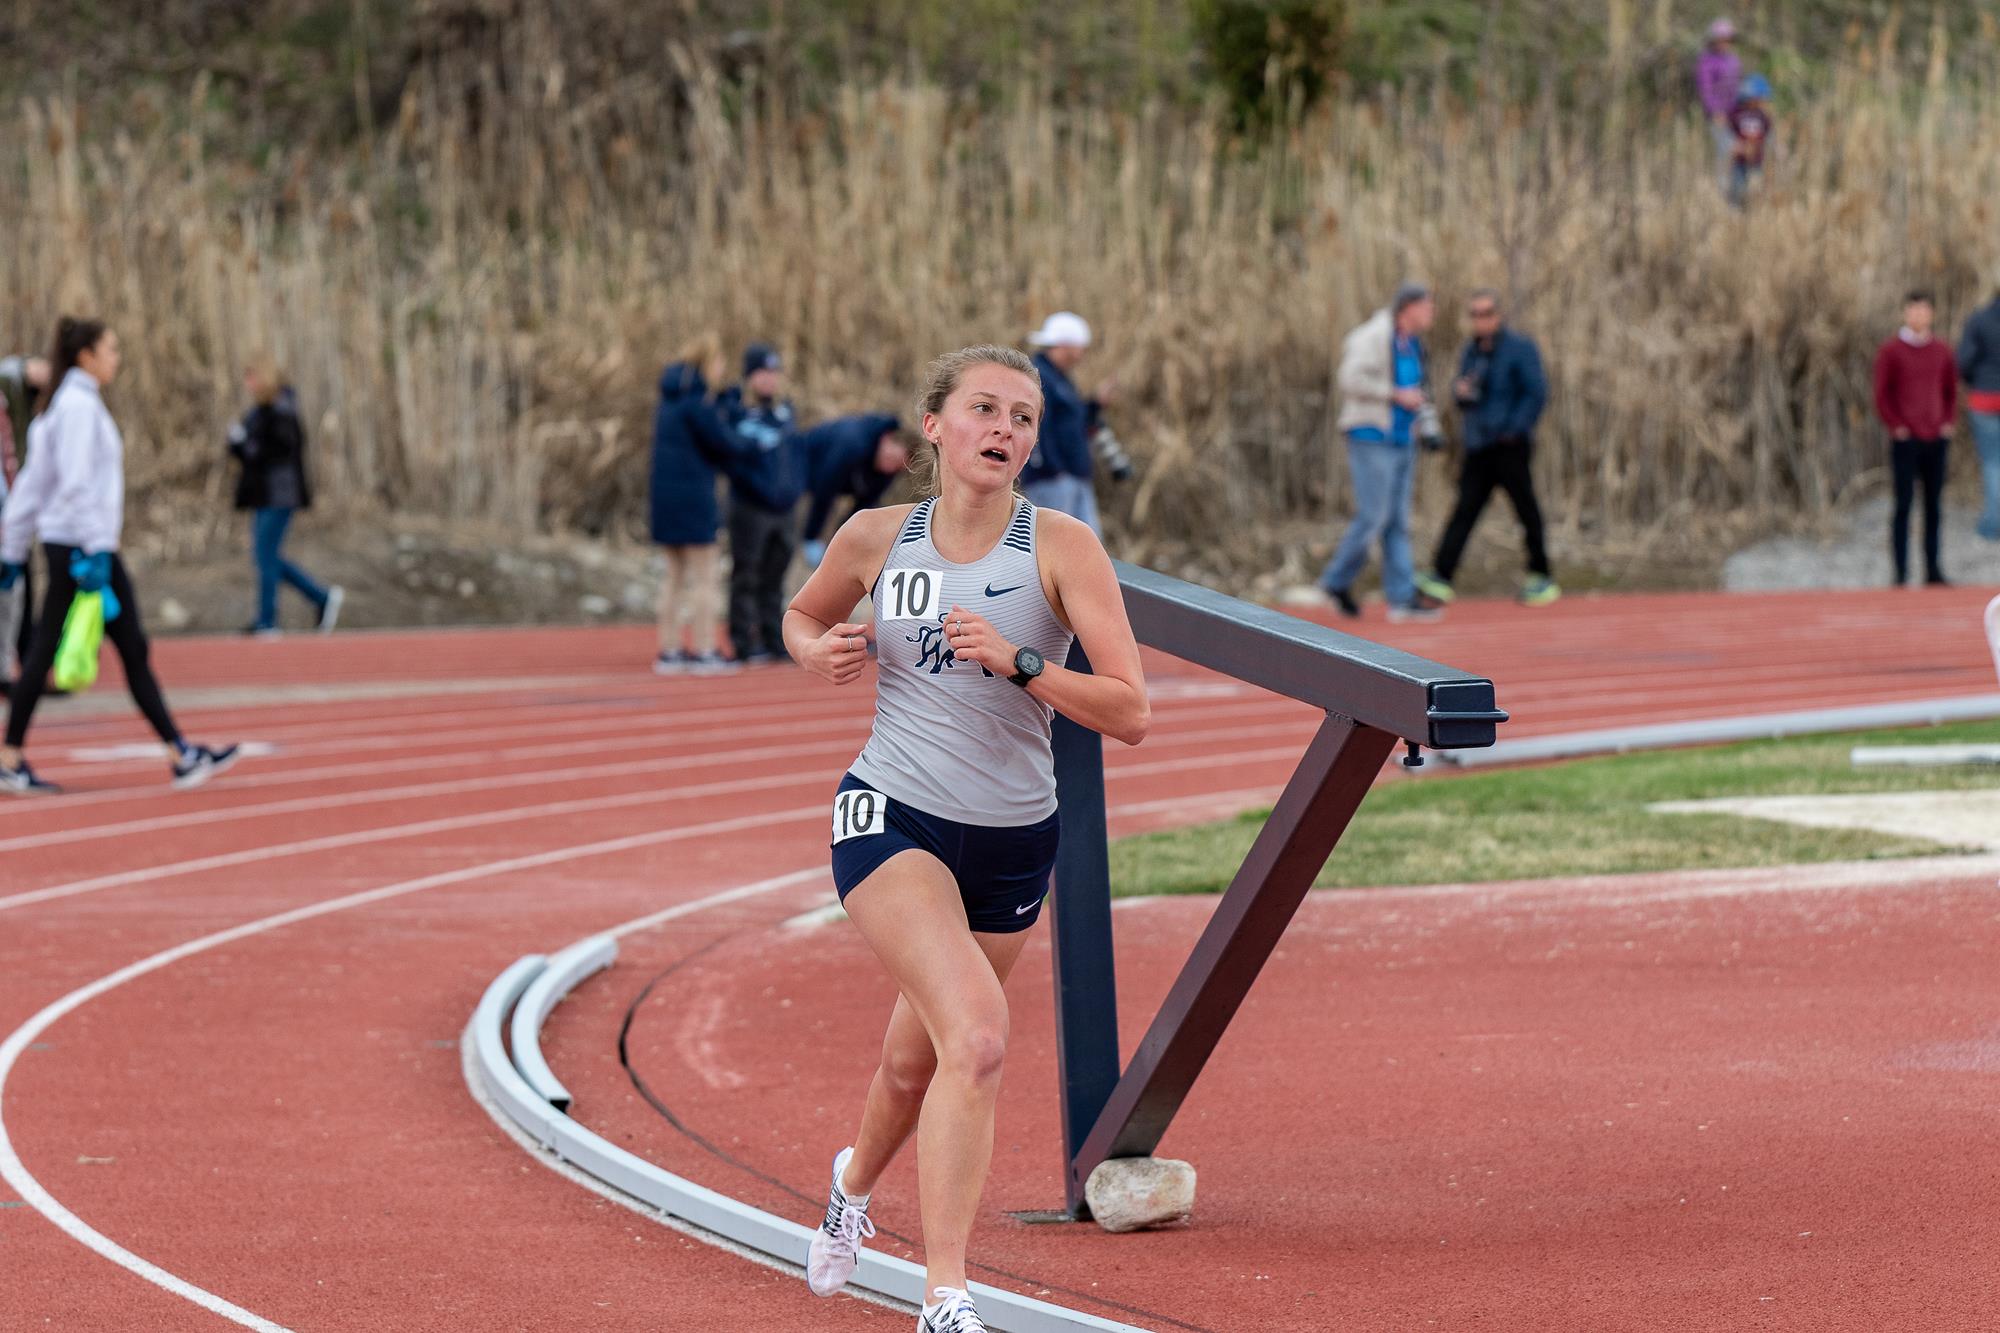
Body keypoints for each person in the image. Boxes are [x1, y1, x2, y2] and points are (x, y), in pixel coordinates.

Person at [783, 345, 1148, 1333]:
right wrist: (820, 647)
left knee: (919, 1061)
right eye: (982, 408)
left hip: (1011, 838)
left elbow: (1128, 709)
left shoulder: (1061, 548)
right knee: (979, 1040)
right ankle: (945, 1296)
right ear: (934, 426)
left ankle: (850, 1185)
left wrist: (1025, 662)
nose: (1003, 430)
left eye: (1022, 417)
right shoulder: (871, 537)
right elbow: (800, 613)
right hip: (889, 814)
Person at [0, 317, 238, 796]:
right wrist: (94, 551)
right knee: (68, 647)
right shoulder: (77, 408)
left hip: (77, 544)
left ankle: (179, 751)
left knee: (123, 649)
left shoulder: (60, 406)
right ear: (86, 354)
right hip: (82, 548)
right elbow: (72, 484)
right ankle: (11, 755)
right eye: (110, 350)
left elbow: (31, 484)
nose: (117, 358)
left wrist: (12, 546)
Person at [1415, 290, 1558, 607]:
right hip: (1479, 446)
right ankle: (1441, 576)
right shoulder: (1472, 351)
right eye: (1475, 314)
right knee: (1464, 510)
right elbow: (1464, 397)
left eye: (1486, 313)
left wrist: (1513, 430)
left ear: (1498, 315)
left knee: (1526, 509)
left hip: (1509, 447)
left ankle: (1542, 575)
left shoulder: (1519, 348)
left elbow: (1536, 393)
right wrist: (1461, 392)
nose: (1481, 320)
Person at [1322, 281, 1442, 622]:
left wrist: (1419, 418)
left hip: (1403, 438)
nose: (1432, 313)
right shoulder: (1373, 336)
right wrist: (1394, 394)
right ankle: (1336, 579)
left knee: (1398, 521)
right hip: (1371, 435)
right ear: (1409, 308)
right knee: (1374, 516)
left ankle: (1402, 598)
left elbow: (1416, 387)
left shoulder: (1414, 344)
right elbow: (1349, 378)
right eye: (1427, 306)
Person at [228, 355, 342, 637]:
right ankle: (320, 598)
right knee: (265, 556)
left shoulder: (282, 410)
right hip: (263, 492)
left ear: (264, 378)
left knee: (265, 556)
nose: (248, 383)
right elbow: (249, 452)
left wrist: (247, 445)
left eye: (251, 377)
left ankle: (269, 620)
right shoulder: (261, 411)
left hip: (279, 494)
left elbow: (278, 452)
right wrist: (239, 445)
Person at [648, 332, 739, 673]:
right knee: (705, 576)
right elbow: (724, 444)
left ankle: (669, 650)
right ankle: (704, 649)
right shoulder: (698, 403)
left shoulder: (668, 401)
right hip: (694, 497)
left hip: (664, 499)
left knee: (672, 576)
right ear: (707, 363)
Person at [716, 343, 805, 665]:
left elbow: (795, 457)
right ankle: (742, 641)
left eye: (773, 373)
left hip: (783, 510)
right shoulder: (736, 411)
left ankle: (772, 636)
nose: (769, 380)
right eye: (762, 373)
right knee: (747, 575)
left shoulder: (785, 413)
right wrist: (755, 488)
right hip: (750, 507)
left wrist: (795, 489)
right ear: (750, 377)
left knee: (775, 576)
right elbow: (731, 458)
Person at [1873, 291, 1958, 588]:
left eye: (1924, 310)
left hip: (1936, 437)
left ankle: (1933, 569)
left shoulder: (1942, 350)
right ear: (1906, 313)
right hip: (1906, 439)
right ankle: (1900, 572)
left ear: (1931, 314)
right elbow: (1881, 394)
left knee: (1933, 506)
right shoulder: (1891, 351)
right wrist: (1896, 425)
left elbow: (1950, 390)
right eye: (1914, 310)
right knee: (1903, 505)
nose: (1919, 316)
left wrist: (1948, 422)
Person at [1019, 312, 1116, 535]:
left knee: (1087, 545)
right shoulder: (1039, 376)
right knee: (1055, 543)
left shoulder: (1060, 377)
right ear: (1066, 345)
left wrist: (1095, 405)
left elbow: (1072, 421)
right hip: (1052, 479)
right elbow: (1037, 425)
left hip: (1073, 476)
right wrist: (1052, 470)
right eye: (1080, 347)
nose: (1082, 354)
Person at [798, 412, 909, 569]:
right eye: (891, 459)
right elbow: (825, 489)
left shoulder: (889, 467)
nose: (890, 466)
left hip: (835, 481)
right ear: (886, 439)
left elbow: (863, 507)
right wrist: (812, 535)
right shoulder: (853, 444)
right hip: (805, 463)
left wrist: (840, 545)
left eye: (897, 465)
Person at [0, 353, 51, 681]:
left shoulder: (14, 402)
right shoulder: (9, 382)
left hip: (10, 511)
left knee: (17, 593)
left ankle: (17, 667)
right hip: (9, 509)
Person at [1956, 277, 2000, 542]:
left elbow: (1964, 361)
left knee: (1993, 463)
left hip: (1984, 399)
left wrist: (1977, 382)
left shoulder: (1979, 320)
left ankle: (1993, 523)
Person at [1696, 19, 1744, 196]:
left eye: (1728, 39)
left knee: (1739, 152)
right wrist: (1715, 111)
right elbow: (1706, 89)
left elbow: (1738, 86)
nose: (1725, 43)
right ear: (1713, 40)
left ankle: (1738, 193)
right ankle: (1722, 193)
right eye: (1721, 39)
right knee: (1726, 150)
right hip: (1717, 116)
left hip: (1735, 115)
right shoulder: (1707, 62)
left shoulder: (1734, 60)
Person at [1727, 74, 1773, 209]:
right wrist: (1735, 146)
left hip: (1756, 161)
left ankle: (1752, 211)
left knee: (1754, 190)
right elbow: (1729, 134)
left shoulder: (1763, 116)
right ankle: (1735, 210)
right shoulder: (1737, 114)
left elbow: (1769, 136)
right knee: (1737, 188)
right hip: (1739, 161)